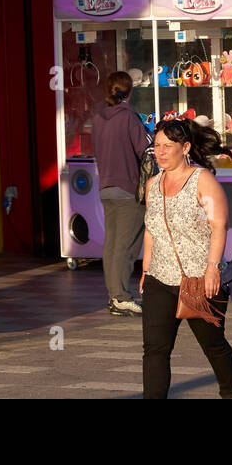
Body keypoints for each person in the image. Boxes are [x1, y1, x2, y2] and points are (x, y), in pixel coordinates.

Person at [140, 118, 232, 399]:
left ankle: (230, 392)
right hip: (159, 279)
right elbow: (151, 228)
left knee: (213, 344)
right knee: (155, 350)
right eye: (156, 146)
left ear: (184, 147)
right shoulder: (152, 184)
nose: (160, 152)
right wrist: (146, 269)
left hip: (198, 280)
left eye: (167, 146)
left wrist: (213, 269)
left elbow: (220, 226)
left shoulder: (202, 180)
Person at [92, 71, 148, 317]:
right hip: (128, 187)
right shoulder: (128, 116)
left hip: (106, 187)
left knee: (112, 245)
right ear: (130, 90)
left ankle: (114, 296)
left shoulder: (98, 117)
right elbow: (145, 150)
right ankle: (122, 297)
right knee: (126, 247)